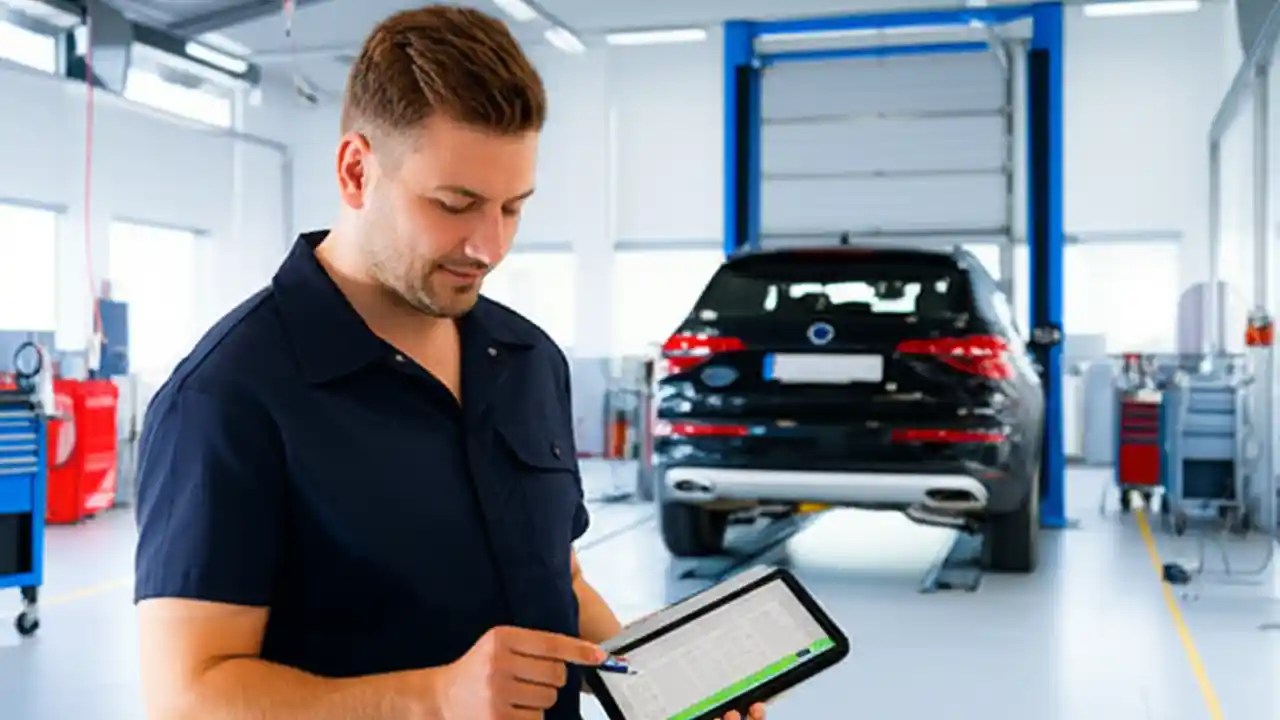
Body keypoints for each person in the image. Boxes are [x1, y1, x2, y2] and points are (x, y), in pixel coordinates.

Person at [133, 6, 766, 720]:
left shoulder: (527, 360)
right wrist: (431, 699)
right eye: (455, 204)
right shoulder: (228, 394)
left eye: (512, 209)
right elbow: (188, 696)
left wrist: (656, 688)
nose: (489, 247)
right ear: (355, 171)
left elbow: (560, 582)